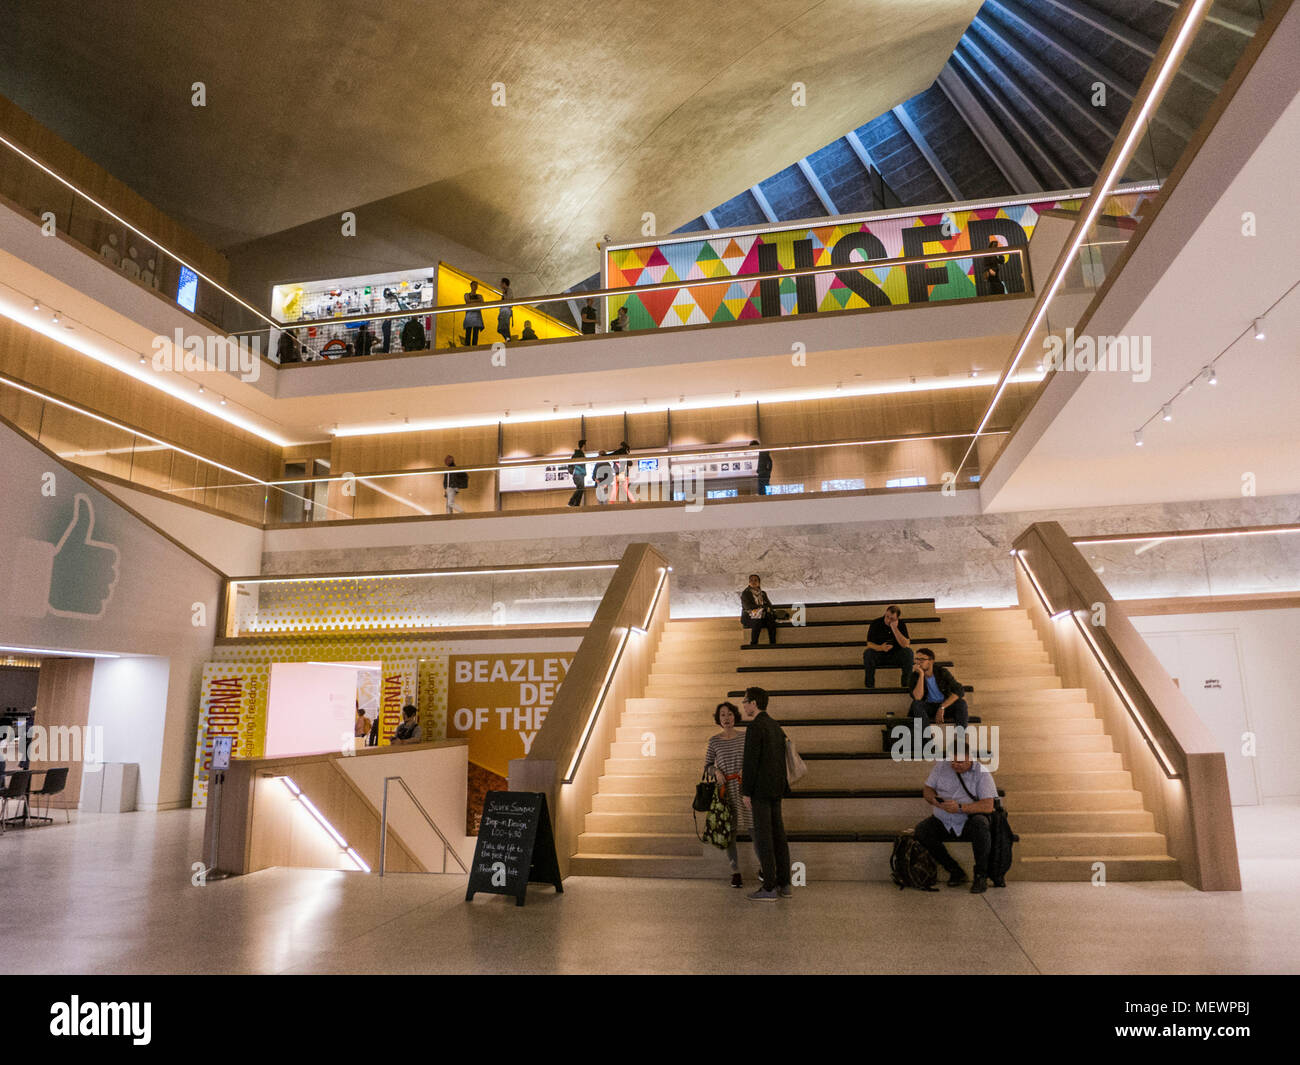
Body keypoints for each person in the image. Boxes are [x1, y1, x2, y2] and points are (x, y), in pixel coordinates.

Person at [914, 741, 998, 892]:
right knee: (921, 830)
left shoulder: (982, 773)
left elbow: (988, 805)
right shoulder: (941, 766)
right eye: (952, 760)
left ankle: (980, 875)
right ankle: (954, 870)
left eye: (960, 761)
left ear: (970, 758)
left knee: (981, 824)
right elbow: (927, 790)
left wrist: (960, 808)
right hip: (944, 817)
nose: (955, 765)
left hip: (968, 819)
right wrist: (935, 801)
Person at [739, 687, 791, 900]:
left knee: (764, 838)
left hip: (760, 790)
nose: (743, 705)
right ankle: (785, 884)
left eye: (745, 701)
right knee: (779, 836)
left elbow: (751, 763)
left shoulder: (755, 727)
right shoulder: (776, 726)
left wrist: (746, 791)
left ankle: (769, 887)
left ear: (753, 703)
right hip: (777, 789)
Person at [703, 701, 750, 888]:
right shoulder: (714, 741)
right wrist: (716, 772)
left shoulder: (745, 737)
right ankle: (735, 872)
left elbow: (753, 760)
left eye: (730, 714)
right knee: (729, 833)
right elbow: (707, 766)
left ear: (735, 717)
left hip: (745, 789)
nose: (726, 718)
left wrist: (746, 770)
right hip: (726, 793)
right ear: (718, 719)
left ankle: (764, 869)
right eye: (722, 715)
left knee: (755, 828)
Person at [908, 647, 969, 729]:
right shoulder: (915, 676)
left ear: (931, 661)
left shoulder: (942, 672)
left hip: (944, 706)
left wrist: (942, 707)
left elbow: (959, 690)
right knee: (916, 704)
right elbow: (917, 698)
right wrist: (921, 675)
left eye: (922, 660)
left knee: (961, 703)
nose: (918, 663)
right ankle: (927, 738)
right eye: (917, 659)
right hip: (928, 708)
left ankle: (960, 739)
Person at [862, 604, 913, 688]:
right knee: (868, 653)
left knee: (908, 653)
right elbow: (869, 644)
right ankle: (869, 686)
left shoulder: (901, 624)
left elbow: (905, 644)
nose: (888, 620)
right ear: (885, 613)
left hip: (896, 655)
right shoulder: (876, 623)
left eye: (892, 618)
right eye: (887, 616)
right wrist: (881, 648)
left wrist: (894, 628)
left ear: (897, 619)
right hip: (880, 654)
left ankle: (906, 685)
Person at [739, 574, 777, 646]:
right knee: (757, 621)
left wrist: (768, 609)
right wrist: (761, 607)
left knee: (771, 620)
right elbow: (747, 606)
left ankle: (773, 643)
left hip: (761, 615)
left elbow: (769, 605)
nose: (753, 582)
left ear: (759, 582)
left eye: (755, 580)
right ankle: (754, 643)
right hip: (749, 617)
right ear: (749, 582)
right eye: (751, 580)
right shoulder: (745, 593)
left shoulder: (763, 593)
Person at [567, 438, 588, 507]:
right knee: (580, 488)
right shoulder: (580, 454)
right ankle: (572, 502)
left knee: (581, 488)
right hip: (579, 474)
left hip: (578, 474)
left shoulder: (577, 454)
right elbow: (579, 465)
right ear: (583, 446)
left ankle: (576, 503)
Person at [463, 280, 485, 346]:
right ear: (471, 286)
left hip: (476, 316)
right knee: (468, 333)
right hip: (470, 316)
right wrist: (477, 301)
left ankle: (474, 347)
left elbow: (482, 302)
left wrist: (472, 301)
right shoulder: (467, 294)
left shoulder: (479, 296)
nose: (475, 287)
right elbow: (468, 301)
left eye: (476, 285)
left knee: (475, 334)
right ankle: (468, 347)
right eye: (474, 285)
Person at [496, 278, 514, 342]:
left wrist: (504, 294)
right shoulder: (504, 292)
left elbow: (508, 300)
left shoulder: (509, 291)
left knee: (504, 326)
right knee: (501, 327)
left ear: (504, 283)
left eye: (501, 283)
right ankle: (507, 338)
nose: (500, 285)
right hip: (503, 310)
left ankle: (508, 339)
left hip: (506, 310)